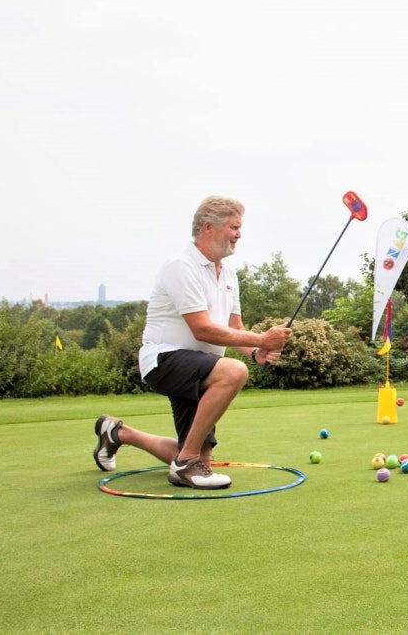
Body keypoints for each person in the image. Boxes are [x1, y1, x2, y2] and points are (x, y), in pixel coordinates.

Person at [93, 196, 292, 489]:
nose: (239, 234)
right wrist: (262, 338)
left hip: (202, 368)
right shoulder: (181, 266)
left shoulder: (229, 275)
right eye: (234, 227)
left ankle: (118, 433)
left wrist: (256, 352)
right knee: (233, 373)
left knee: (205, 460)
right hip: (164, 360)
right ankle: (184, 463)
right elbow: (202, 329)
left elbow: (233, 328)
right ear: (209, 227)